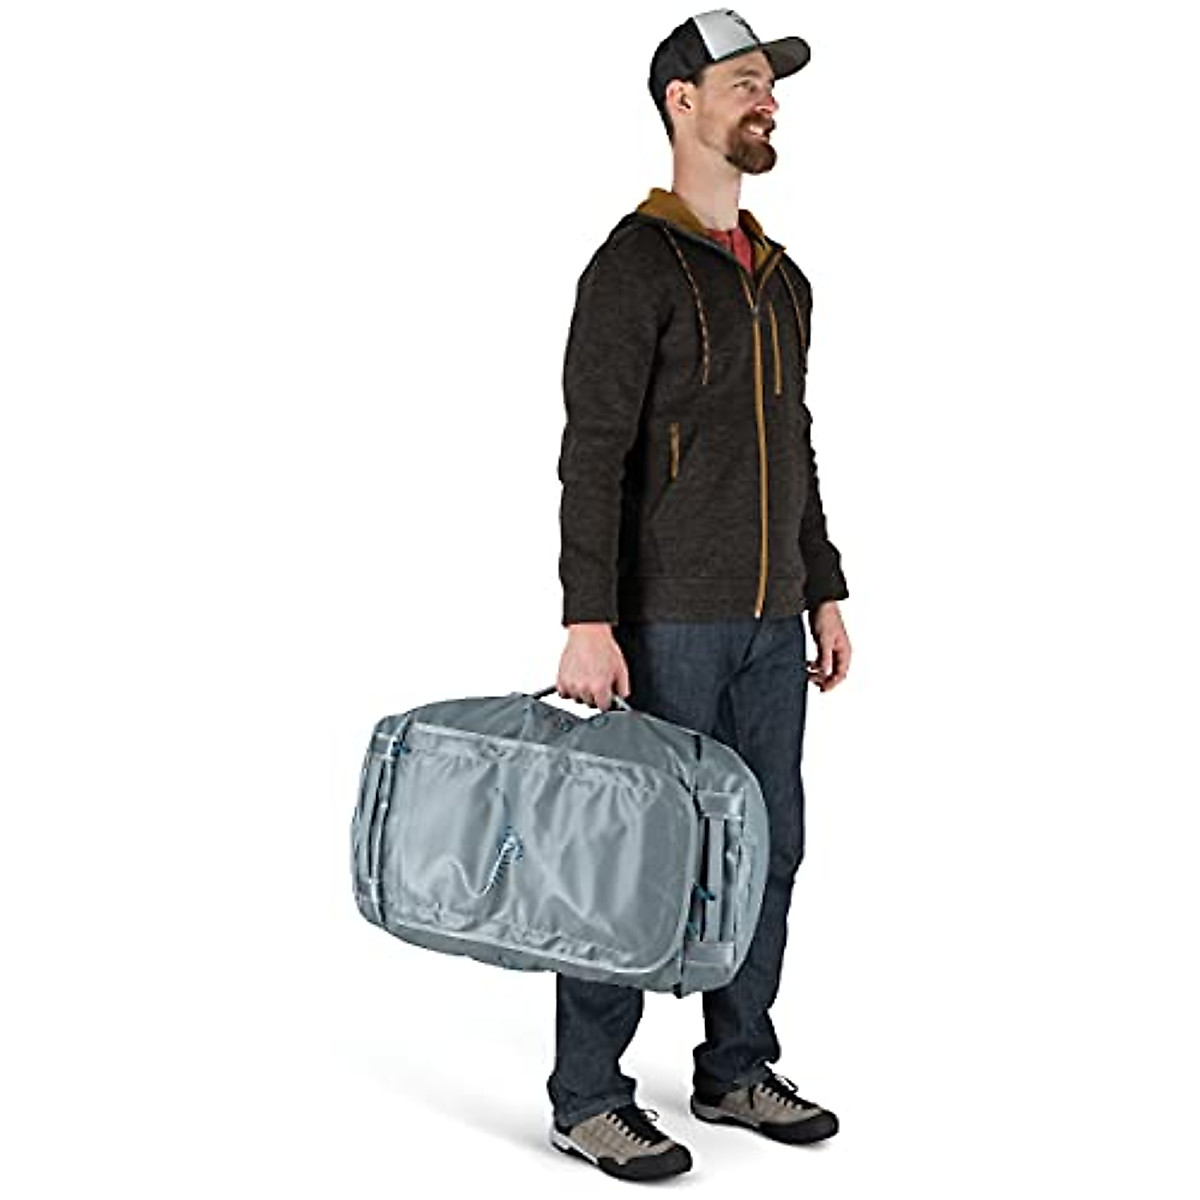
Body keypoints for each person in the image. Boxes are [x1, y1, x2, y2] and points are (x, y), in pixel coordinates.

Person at [546, 9, 853, 1182]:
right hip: (665, 619)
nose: (767, 101)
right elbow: (593, 454)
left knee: (768, 847)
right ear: (683, 101)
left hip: (773, 622)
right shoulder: (632, 267)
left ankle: (735, 1068)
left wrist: (823, 588)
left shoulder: (783, 280)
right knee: (636, 854)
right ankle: (587, 1095)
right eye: (744, 83)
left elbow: (796, 444)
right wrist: (587, 618)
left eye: (771, 85)